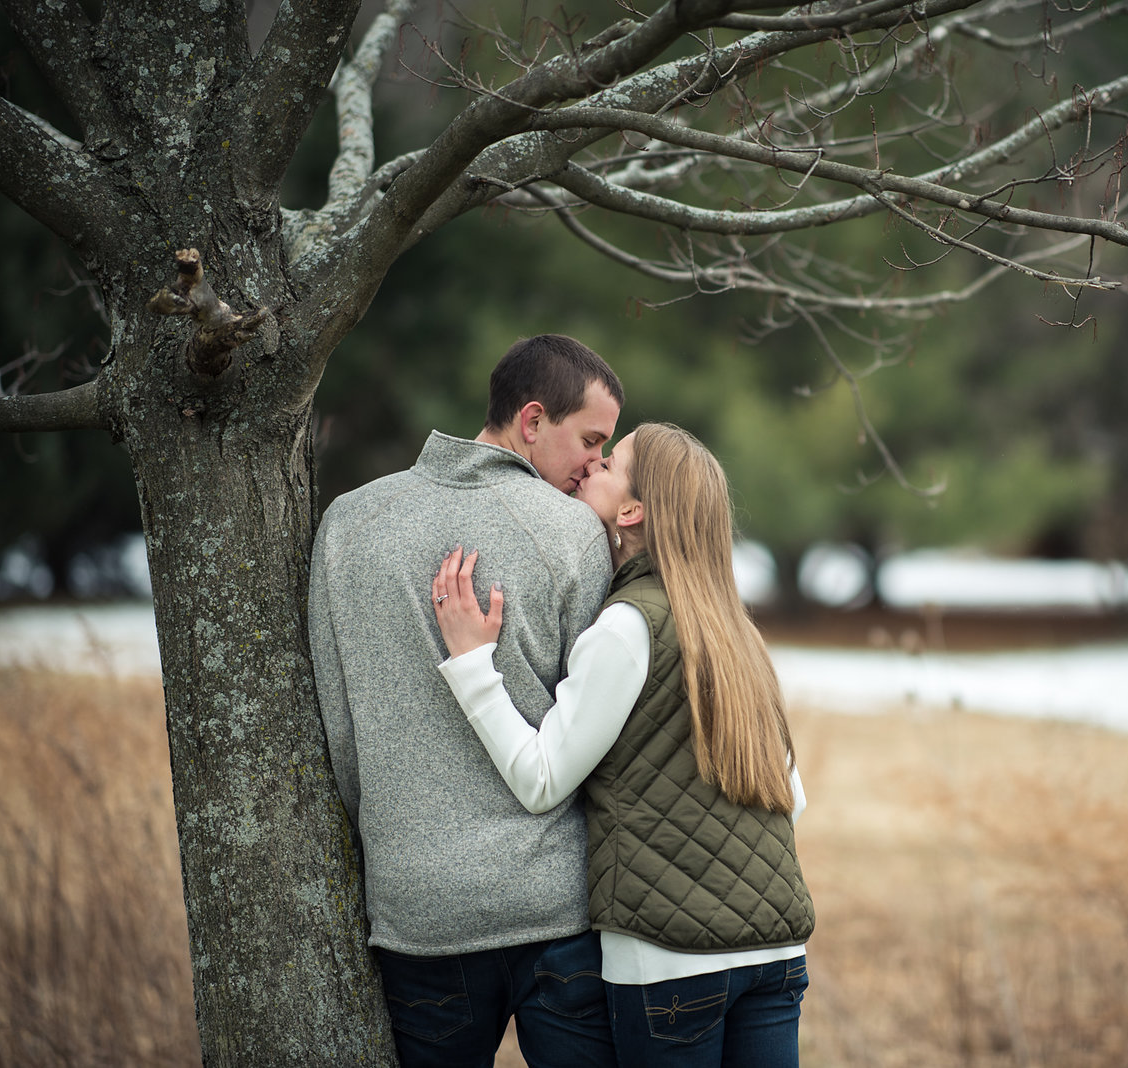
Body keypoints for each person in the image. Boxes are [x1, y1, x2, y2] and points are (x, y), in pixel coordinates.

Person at [431, 422, 816, 1068]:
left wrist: (473, 664)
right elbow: (792, 798)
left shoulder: (627, 625)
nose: (590, 467)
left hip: (672, 962)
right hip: (775, 958)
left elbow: (542, 779)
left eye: (609, 464)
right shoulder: (735, 631)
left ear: (633, 510)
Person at [308, 334, 624, 1067]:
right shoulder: (572, 534)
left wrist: (395, 840)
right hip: (556, 906)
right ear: (534, 420)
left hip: (419, 907)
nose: (594, 465)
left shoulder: (347, 525)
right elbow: (591, 730)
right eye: (590, 440)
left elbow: (340, 734)